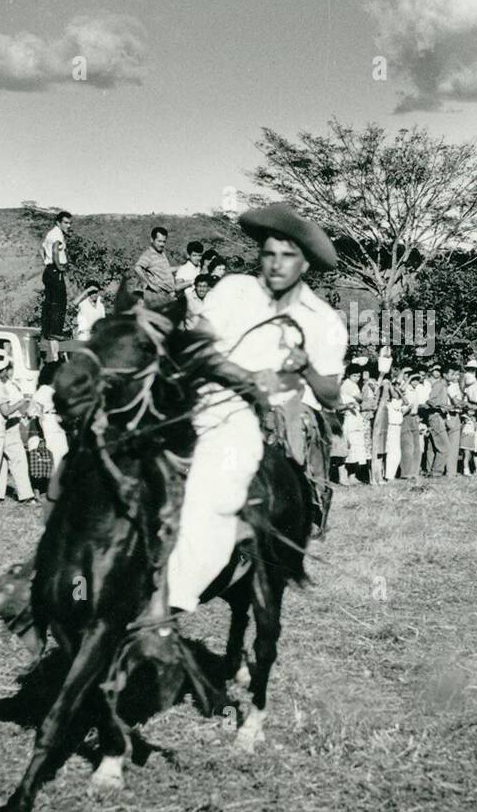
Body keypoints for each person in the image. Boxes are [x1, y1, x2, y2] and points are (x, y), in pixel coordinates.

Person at [134, 204, 346, 633]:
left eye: (287, 257)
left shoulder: (324, 321)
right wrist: (245, 375)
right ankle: (45, 573)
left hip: (254, 417)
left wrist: (304, 367)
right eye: (268, 254)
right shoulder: (232, 290)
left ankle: (166, 604)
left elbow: (331, 394)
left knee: (217, 486)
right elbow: (200, 346)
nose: (275, 264)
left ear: (305, 264)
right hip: (201, 395)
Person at [0, 349, 36, 504]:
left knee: (2, 461)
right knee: (18, 460)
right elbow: (7, 410)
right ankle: (26, 495)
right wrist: (23, 402)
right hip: (7, 424)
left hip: (0, 425)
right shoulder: (2, 385)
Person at [28, 361, 69, 494]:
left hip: (56, 426)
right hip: (48, 428)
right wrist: (40, 433)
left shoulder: (54, 391)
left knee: (61, 455)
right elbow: (33, 412)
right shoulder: (44, 390)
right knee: (56, 457)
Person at [41, 211, 72, 341]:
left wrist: (46, 262)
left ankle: (47, 331)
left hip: (49, 270)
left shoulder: (50, 233)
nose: (68, 225)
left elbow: (41, 249)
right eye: (65, 222)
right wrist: (58, 266)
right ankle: (55, 331)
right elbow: (54, 249)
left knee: (50, 301)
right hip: (54, 271)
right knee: (59, 302)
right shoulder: (57, 234)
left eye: (69, 223)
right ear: (58, 222)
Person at [134, 226, 176, 306]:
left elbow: (166, 271)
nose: (162, 244)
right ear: (152, 240)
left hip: (165, 295)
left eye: (164, 242)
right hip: (155, 295)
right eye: (159, 241)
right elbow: (137, 268)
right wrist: (150, 284)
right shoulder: (148, 254)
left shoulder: (161, 254)